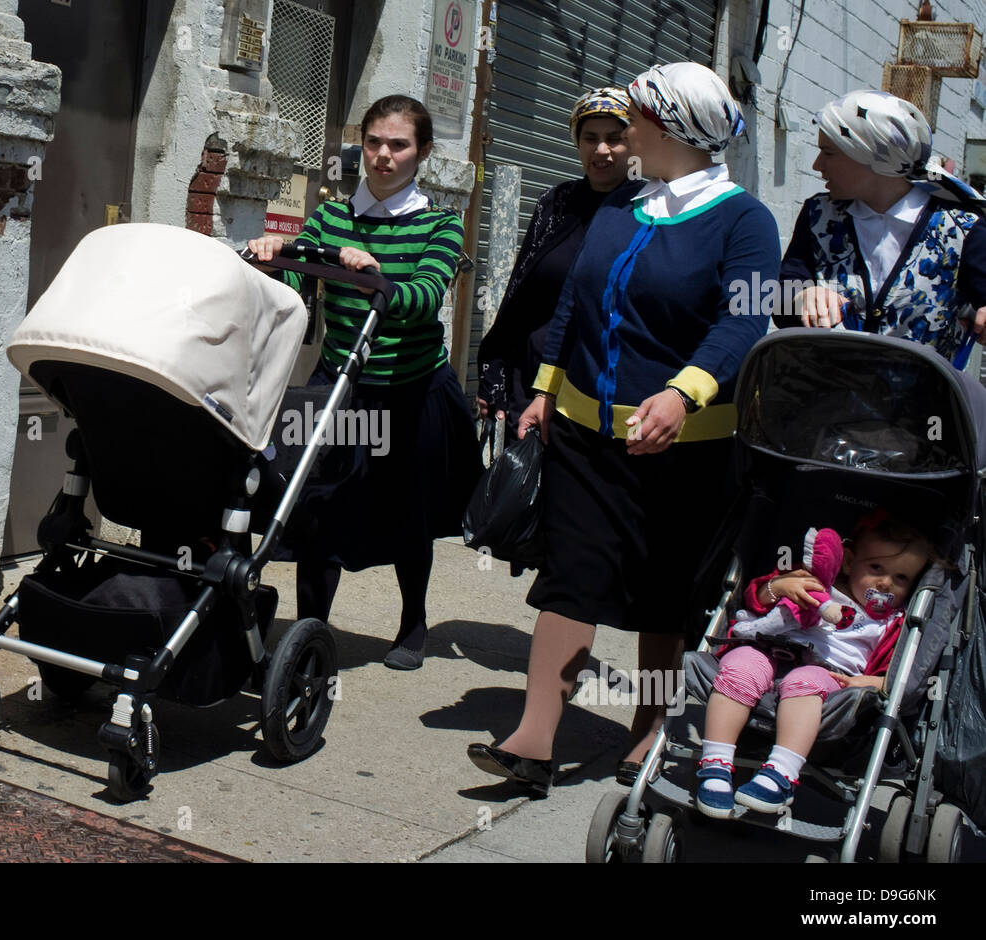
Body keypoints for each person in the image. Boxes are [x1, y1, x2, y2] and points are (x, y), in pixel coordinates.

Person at [466, 62, 781, 795]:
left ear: (670, 128)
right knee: (570, 576)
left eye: (635, 117)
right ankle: (533, 738)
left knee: (665, 592)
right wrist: (544, 389)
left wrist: (683, 393)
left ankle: (650, 729)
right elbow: (576, 304)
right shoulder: (623, 206)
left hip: (688, 450)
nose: (623, 129)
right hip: (581, 433)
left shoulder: (745, 220)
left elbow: (745, 320)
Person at [247, 95, 481, 671]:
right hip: (338, 384)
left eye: (398, 145)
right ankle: (309, 632)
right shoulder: (330, 215)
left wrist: (375, 276)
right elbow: (298, 282)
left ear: (422, 152)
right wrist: (277, 251)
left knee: (409, 511)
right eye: (374, 142)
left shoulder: (441, 225)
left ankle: (412, 621)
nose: (382, 155)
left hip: (411, 388)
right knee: (316, 507)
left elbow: (426, 298)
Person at [694, 514, 933, 817]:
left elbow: (895, 675)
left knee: (805, 681)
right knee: (741, 666)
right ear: (848, 562)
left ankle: (780, 774)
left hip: (826, 675)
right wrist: (778, 586)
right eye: (876, 568)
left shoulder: (890, 623)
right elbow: (755, 600)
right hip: (767, 648)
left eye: (901, 578)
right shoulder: (816, 583)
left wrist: (872, 683)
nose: (886, 582)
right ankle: (715, 765)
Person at [777, 90, 986, 359]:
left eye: (828, 153)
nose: (818, 165)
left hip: (923, 397)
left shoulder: (961, 229)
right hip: (825, 394)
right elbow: (780, 298)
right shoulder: (819, 215)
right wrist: (801, 297)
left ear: (872, 158)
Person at [476, 87, 632, 430]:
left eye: (614, 138)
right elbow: (521, 292)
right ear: (577, 143)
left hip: (604, 391)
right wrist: (497, 369)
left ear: (633, 143)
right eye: (590, 138)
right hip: (532, 383)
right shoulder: (555, 203)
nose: (601, 150)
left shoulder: (649, 210)